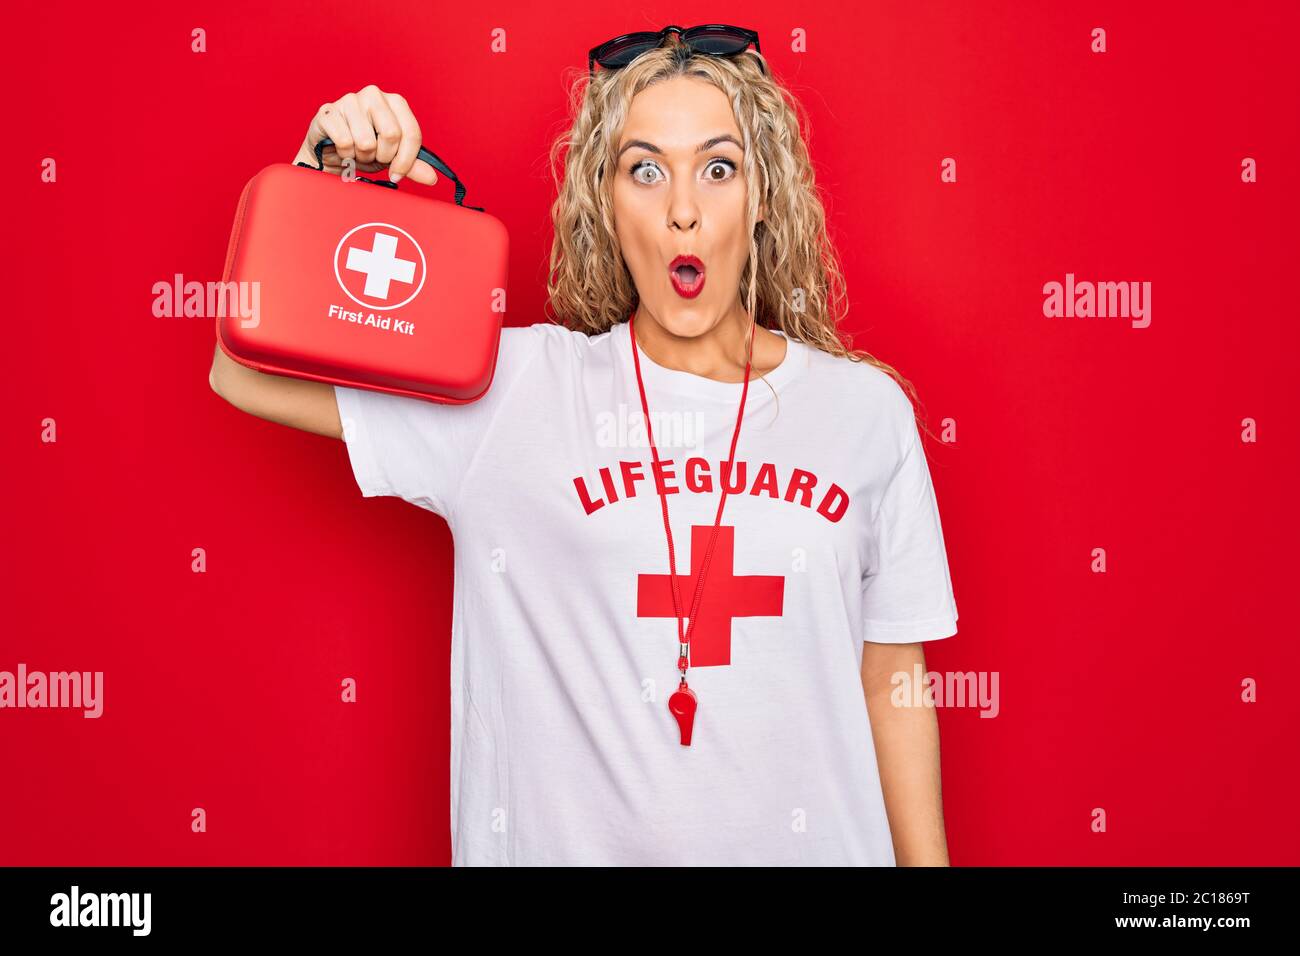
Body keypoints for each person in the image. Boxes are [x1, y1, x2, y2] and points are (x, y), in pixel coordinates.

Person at [209, 26, 960, 866]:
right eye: (645, 169)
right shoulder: (507, 389)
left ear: (763, 198)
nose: (683, 208)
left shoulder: (865, 413)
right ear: (605, 201)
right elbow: (243, 374)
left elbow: (891, 685)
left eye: (719, 168)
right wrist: (322, 179)